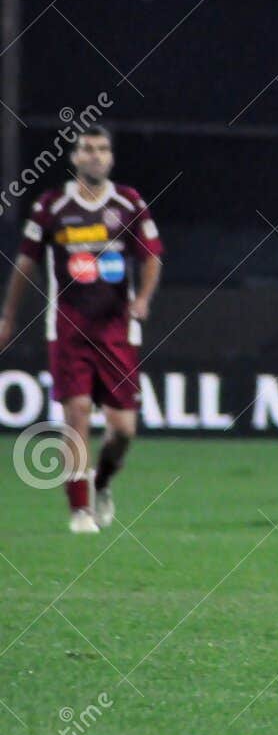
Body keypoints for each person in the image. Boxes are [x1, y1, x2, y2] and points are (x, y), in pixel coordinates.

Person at [0, 126, 162, 534]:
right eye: (86, 149)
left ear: (110, 157)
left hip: (118, 331)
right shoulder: (51, 207)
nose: (95, 155)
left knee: (124, 430)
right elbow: (25, 264)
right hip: (68, 329)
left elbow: (152, 258)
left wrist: (142, 299)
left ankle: (102, 482)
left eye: (102, 148)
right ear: (73, 158)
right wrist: (8, 316)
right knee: (77, 415)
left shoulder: (129, 203)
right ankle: (79, 510)